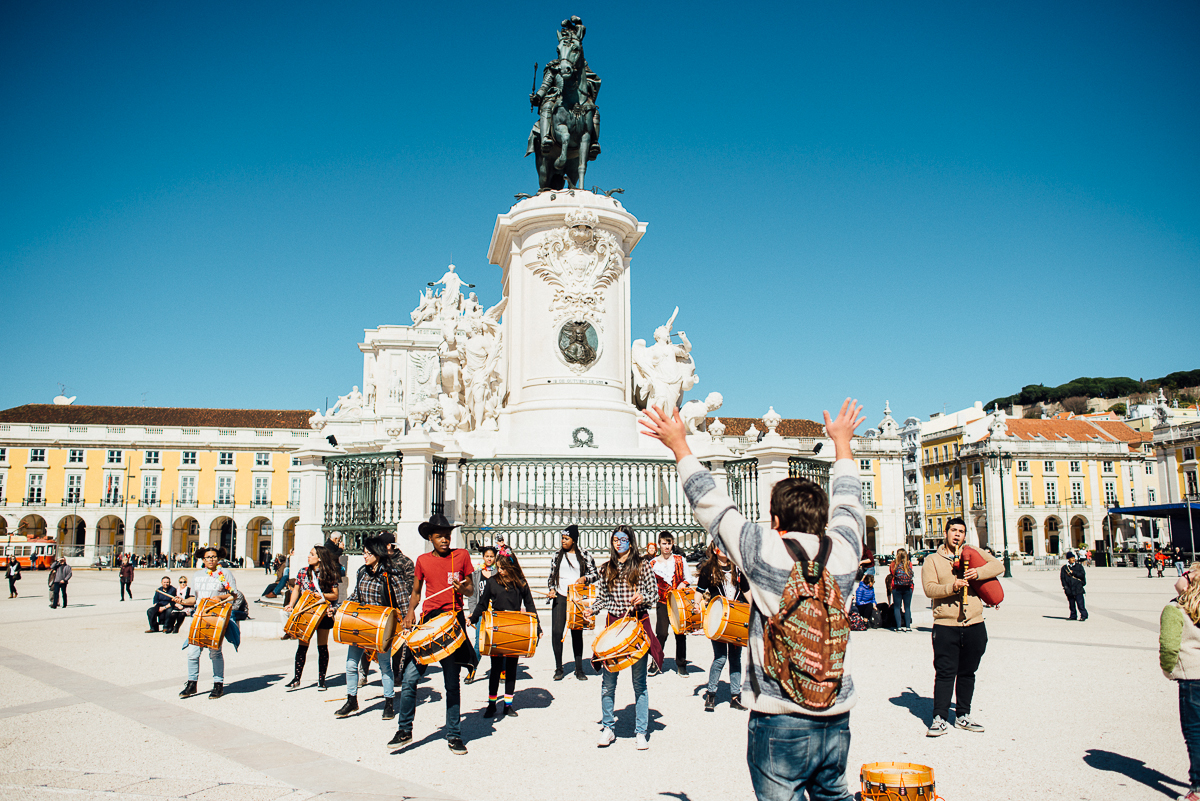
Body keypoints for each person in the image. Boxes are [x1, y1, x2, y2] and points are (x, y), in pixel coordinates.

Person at [640, 398, 866, 798]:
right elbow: (851, 502)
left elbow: (710, 503)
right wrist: (842, 445)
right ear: (824, 518)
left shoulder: (763, 549)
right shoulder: (847, 551)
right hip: (835, 714)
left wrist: (679, 446)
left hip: (779, 716)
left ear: (775, 520)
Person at [392, 514, 475, 756]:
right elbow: (417, 592)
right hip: (429, 622)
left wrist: (464, 587)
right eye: (440, 536)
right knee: (409, 679)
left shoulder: (462, 556)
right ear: (431, 538)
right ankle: (404, 730)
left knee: (452, 682)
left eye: (447, 536)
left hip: (452, 623)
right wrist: (409, 613)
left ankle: (454, 735)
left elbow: (470, 587)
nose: (445, 540)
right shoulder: (422, 561)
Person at [921, 516, 1003, 737]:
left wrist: (978, 572)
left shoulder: (972, 552)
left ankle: (963, 715)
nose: (957, 534)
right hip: (946, 624)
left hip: (974, 623)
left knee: (968, 672)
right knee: (945, 672)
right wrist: (952, 586)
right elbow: (929, 589)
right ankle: (939, 717)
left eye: (961, 531)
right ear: (946, 532)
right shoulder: (932, 560)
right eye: (954, 530)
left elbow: (998, 565)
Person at [587, 526, 657, 750]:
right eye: (615, 539)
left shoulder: (643, 565)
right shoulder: (606, 568)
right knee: (608, 684)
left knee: (639, 683)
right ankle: (608, 727)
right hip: (614, 625)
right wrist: (592, 609)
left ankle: (641, 731)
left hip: (636, 624)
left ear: (631, 541)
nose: (619, 543)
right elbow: (603, 598)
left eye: (623, 539)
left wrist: (642, 597)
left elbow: (654, 594)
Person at [335, 537, 405, 719]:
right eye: (364, 553)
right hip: (361, 624)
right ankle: (351, 700)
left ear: (378, 554)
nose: (364, 556)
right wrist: (339, 609)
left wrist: (405, 622)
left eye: (368, 553)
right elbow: (356, 595)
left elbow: (403, 598)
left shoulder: (391, 574)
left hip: (381, 626)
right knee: (351, 665)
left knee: (384, 665)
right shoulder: (362, 572)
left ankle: (389, 702)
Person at [469, 548, 540, 718]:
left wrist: (537, 627)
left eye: (502, 567)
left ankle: (508, 704)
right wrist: (473, 617)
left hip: (515, 628)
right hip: (498, 629)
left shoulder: (521, 583)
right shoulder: (492, 582)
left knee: (511, 668)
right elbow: (482, 604)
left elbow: (530, 605)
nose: (498, 570)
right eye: (498, 567)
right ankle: (492, 704)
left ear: (511, 567)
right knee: (495, 669)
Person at [1161, 563, 1200, 801]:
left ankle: (1197, 790)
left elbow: (1169, 647)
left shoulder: (1175, 609)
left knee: (1196, 733)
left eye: (1185, 573)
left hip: (1192, 677)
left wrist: (1169, 671)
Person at [694, 542, 749, 712]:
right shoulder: (707, 569)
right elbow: (699, 591)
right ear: (715, 549)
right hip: (717, 617)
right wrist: (697, 604)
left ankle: (735, 696)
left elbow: (747, 591)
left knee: (735, 658)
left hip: (737, 616)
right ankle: (711, 694)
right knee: (720, 658)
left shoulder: (738, 568)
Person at [179, 547, 238, 699]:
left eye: (214, 557)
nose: (211, 559)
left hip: (216, 616)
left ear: (218, 559)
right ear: (203, 560)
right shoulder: (197, 575)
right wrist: (184, 601)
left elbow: (234, 595)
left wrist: (220, 598)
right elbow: (193, 598)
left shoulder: (225, 573)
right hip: (199, 616)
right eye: (208, 557)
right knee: (192, 652)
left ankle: (218, 684)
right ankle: (192, 683)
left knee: (215, 652)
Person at [283, 546, 342, 690]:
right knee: (302, 646)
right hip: (306, 611)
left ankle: (321, 680)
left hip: (322, 612)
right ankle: (297, 678)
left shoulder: (329, 573)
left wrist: (319, 595)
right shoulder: (303, 572)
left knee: (322, 646)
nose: (309, 556)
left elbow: (335, 595)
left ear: (320, 558)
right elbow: (296, 589)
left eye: (312, 554)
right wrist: (291, 604)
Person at [548, 524, 598, 681]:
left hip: (577, 597)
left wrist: (585, 578)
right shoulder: (557, 556)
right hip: (560, 595)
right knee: (557, 632)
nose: (563, 541)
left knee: (577, 632)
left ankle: (579, 669)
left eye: (567, 538)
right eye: (562, 538)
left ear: (574, 540)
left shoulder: (584, 556)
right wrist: (551, 589)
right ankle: (558, 668)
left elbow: (595, 574)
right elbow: (551, 576)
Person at [650, 531, 690, 676]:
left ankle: (681, 664)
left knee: (680, 633)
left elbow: (688, 578)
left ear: (672, 544)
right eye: (664, 543)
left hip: (679, 602)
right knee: (661, 633)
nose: (667, 547)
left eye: (669, 543)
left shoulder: (680, 560)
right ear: (659, 544)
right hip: (662, 601)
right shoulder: (653, 564)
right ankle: (656, 662)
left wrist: (683, 584)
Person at [465, 545, 498, 683]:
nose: (489, 559)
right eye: (487, 556)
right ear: (483, 557)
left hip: (496, 613)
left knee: (496, 644)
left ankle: (499, 671)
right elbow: (472, 596)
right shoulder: (476, 574)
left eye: (491, 556)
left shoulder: (498, 573)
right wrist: (472, 612)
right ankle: (472, 670)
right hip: (481, 613)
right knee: (479, 643)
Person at [889, 549, 916, 631]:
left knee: (897, 607)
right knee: (907, 607)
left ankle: (899, 627)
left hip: (896, 588)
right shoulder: (909, 564)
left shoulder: (893, 564)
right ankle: (908, 627)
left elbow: (892, 574)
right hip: (908, 587)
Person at [1060, 552, 1088, 621]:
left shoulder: (1079, 566)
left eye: (1073, 558)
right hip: (1069, 589)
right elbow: (1062, 578)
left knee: (1080, 603)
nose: (1073, 559)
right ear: (1068, 559)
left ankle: (1084, 615)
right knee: (1071, 604)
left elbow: (1082, 575)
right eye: (1071, 558)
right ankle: (1073, 615)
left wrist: (1073, 572)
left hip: (1078, 588)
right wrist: (1065, 587)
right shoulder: (1064, 568)